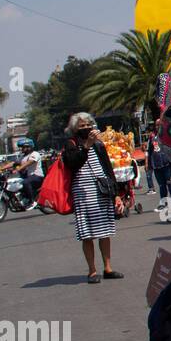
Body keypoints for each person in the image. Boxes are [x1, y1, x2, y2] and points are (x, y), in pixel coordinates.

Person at [62, 112, 123, 283]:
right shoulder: (71, 144)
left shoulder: (99, 144)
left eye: (88, 124)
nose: (86, 128)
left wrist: (116, 194)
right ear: (75, 128)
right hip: (82, 192)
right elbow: (73, 163)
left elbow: (107, 168)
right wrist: (86, 146)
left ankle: (108, 268)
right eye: (81, 126)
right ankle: (92, 271)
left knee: (105, 231)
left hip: (101, 191)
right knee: (87, 234)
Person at [144, 126, 171, 211]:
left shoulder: (167, 134)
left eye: (159, 124)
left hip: (167, 164)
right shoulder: (152, 137)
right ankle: (163, 204)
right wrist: (147, 163)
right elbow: (148, 151)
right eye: (156, 125)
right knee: (162, 185)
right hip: (156, 165)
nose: (157, 126)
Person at [11, 138, 45, 209]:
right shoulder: (23, 156)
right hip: (29, 176)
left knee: (26, 182)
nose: (21, 149)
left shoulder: (35, 154)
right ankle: (23, 200)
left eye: (23, 147)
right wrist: (1, 168)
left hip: (37, 176)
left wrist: (18, 169)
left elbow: (29, 162)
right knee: (17, 184)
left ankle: (32, 202)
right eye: (21, 147)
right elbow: (13, 163)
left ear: (29, 147)